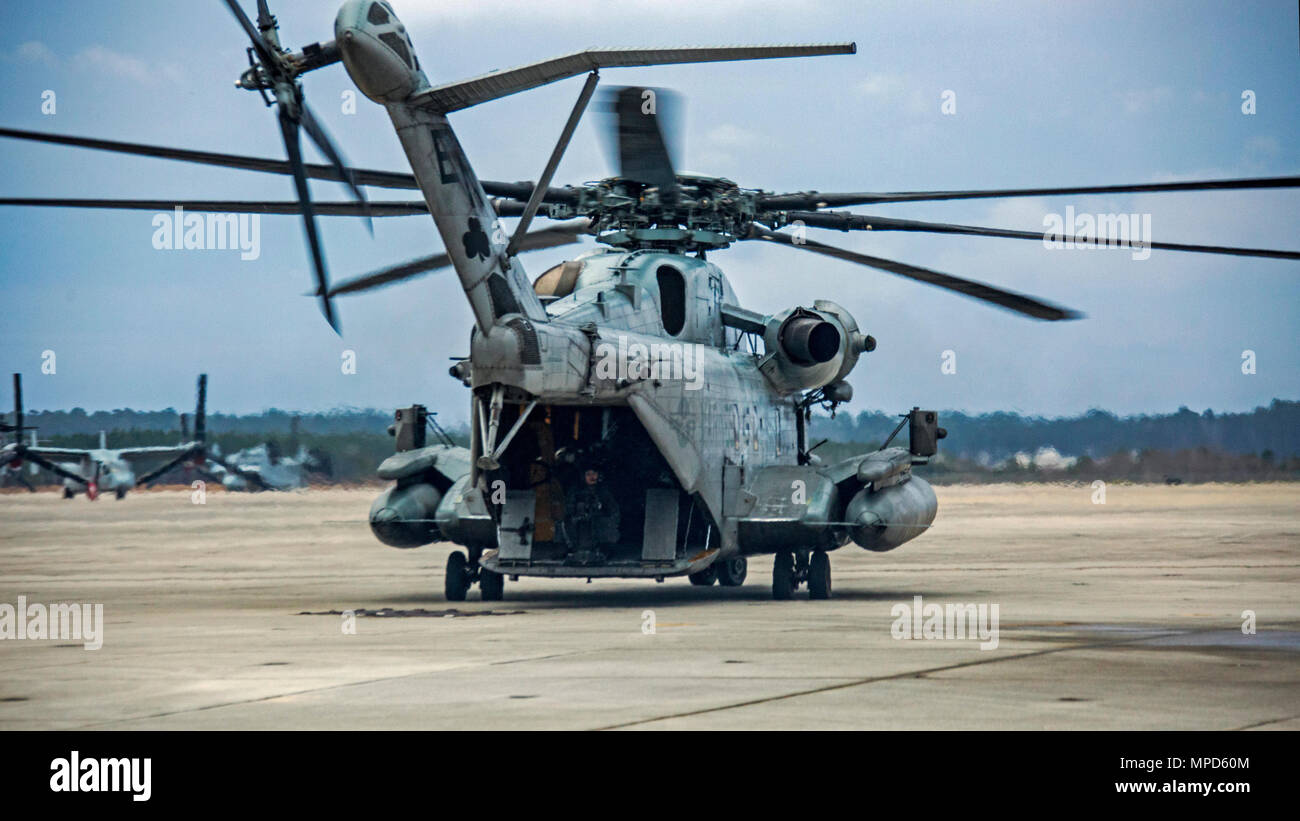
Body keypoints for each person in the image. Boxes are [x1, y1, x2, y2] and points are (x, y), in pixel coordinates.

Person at [564, 468, 620, 559]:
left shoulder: (604, 491)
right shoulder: (575, 491)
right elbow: (569, 508)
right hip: (579, 526)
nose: (592, 477)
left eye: (594, 474)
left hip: (600, 524)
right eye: (588, 474)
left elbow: (613, 510)